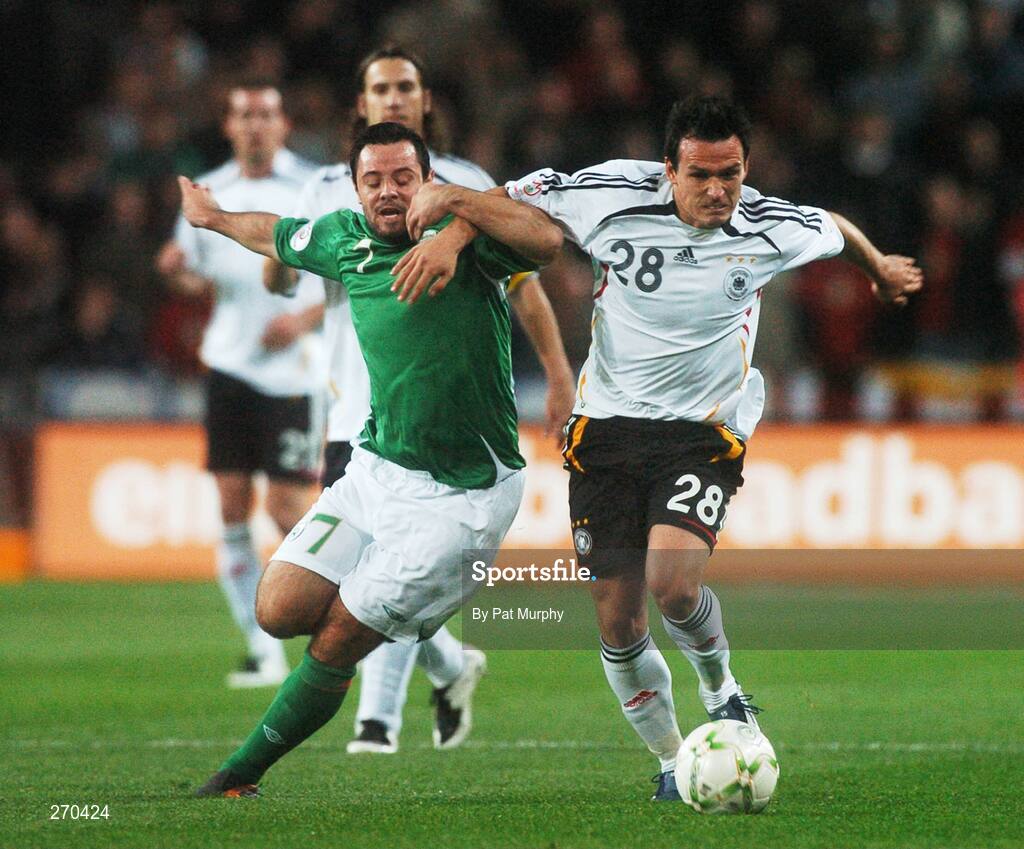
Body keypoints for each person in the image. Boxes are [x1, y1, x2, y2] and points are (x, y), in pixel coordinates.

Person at [398, 94, 924, 800]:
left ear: (747, 168)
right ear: (667, 169)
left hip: (702, 431)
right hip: (605, 430)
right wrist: (450, 234)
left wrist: (878, 268)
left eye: (731, 174)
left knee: (672, 581)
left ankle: (724, 692)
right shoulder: (611, 192)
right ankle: (677, 762)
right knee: (618, 618)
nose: (717, 191)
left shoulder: (767, 224)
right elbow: (508, 203)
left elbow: (831, 224)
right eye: (701, 174)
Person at [184, 120, 564, 797]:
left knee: (335, 640)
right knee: (276, 607)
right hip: (376, 469)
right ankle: (427, 630)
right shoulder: (341, 238)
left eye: (403, 178)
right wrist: (211, 217)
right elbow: (276, 233)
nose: (388, 192)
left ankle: (238, 775)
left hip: (463, 498)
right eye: (373, 181)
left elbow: (548, 240)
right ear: (357, 188)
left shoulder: (469, 246)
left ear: (426, 181)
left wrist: (459, 214)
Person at [264, 45, 576, 754]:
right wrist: (277, 277)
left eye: (407, 86)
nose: (396, 98)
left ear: (426, 101)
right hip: (356, 412)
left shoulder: (467, 183)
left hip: (440, 417)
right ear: (361, 105)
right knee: (366, 585)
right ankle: (450, 664)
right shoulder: (322, 189)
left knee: (385, 583)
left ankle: (378, 724)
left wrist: (558, 368)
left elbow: (523, 282)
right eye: (382, 88)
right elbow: (289, 264)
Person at [156, 82, 325, 688]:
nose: (256, 124)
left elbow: (345, 279)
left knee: (287, 508)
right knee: (230, 508)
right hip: (228, 366)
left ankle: (348, 614)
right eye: (245, 115)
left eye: (267, 114)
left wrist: (302, 319)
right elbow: (198, 280)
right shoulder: (208, 193)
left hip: (295, 372)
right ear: (229, 126)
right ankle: (261, 648)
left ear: (284, 124)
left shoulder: (311, 187)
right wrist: (177, 275)